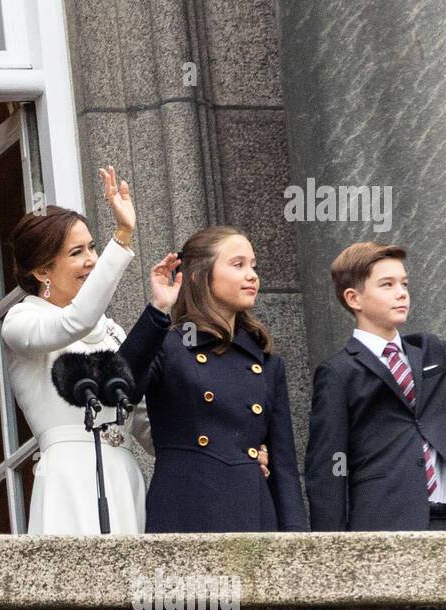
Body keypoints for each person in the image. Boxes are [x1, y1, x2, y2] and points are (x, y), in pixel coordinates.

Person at [305, 197, 446, 531]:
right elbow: (326, 467)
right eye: (387, 285)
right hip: (386, 524)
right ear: (353, 298)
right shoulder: (339, 371)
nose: (401, 293)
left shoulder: (431, 354)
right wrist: (331, 550)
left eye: (404, 283)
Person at [117, 228, 308, 533]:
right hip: (185, 510)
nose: (252, 276)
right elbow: (117, 389)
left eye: (253, 266)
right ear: (198, 276)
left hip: (254, 515)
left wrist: (296, 540)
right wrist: (158, 309)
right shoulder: (170, 346)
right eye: (238, 265)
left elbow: (284, 467)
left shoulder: (267, 362)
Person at [1, 168, 149, 534]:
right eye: (77, 252)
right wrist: (123, 239)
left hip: (124, 475)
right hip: (69, 479)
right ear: (41, 271)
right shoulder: (22, 320)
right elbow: (74, 323)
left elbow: (145, 423)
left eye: (93, 247)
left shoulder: (112, 332)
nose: (93, 260)